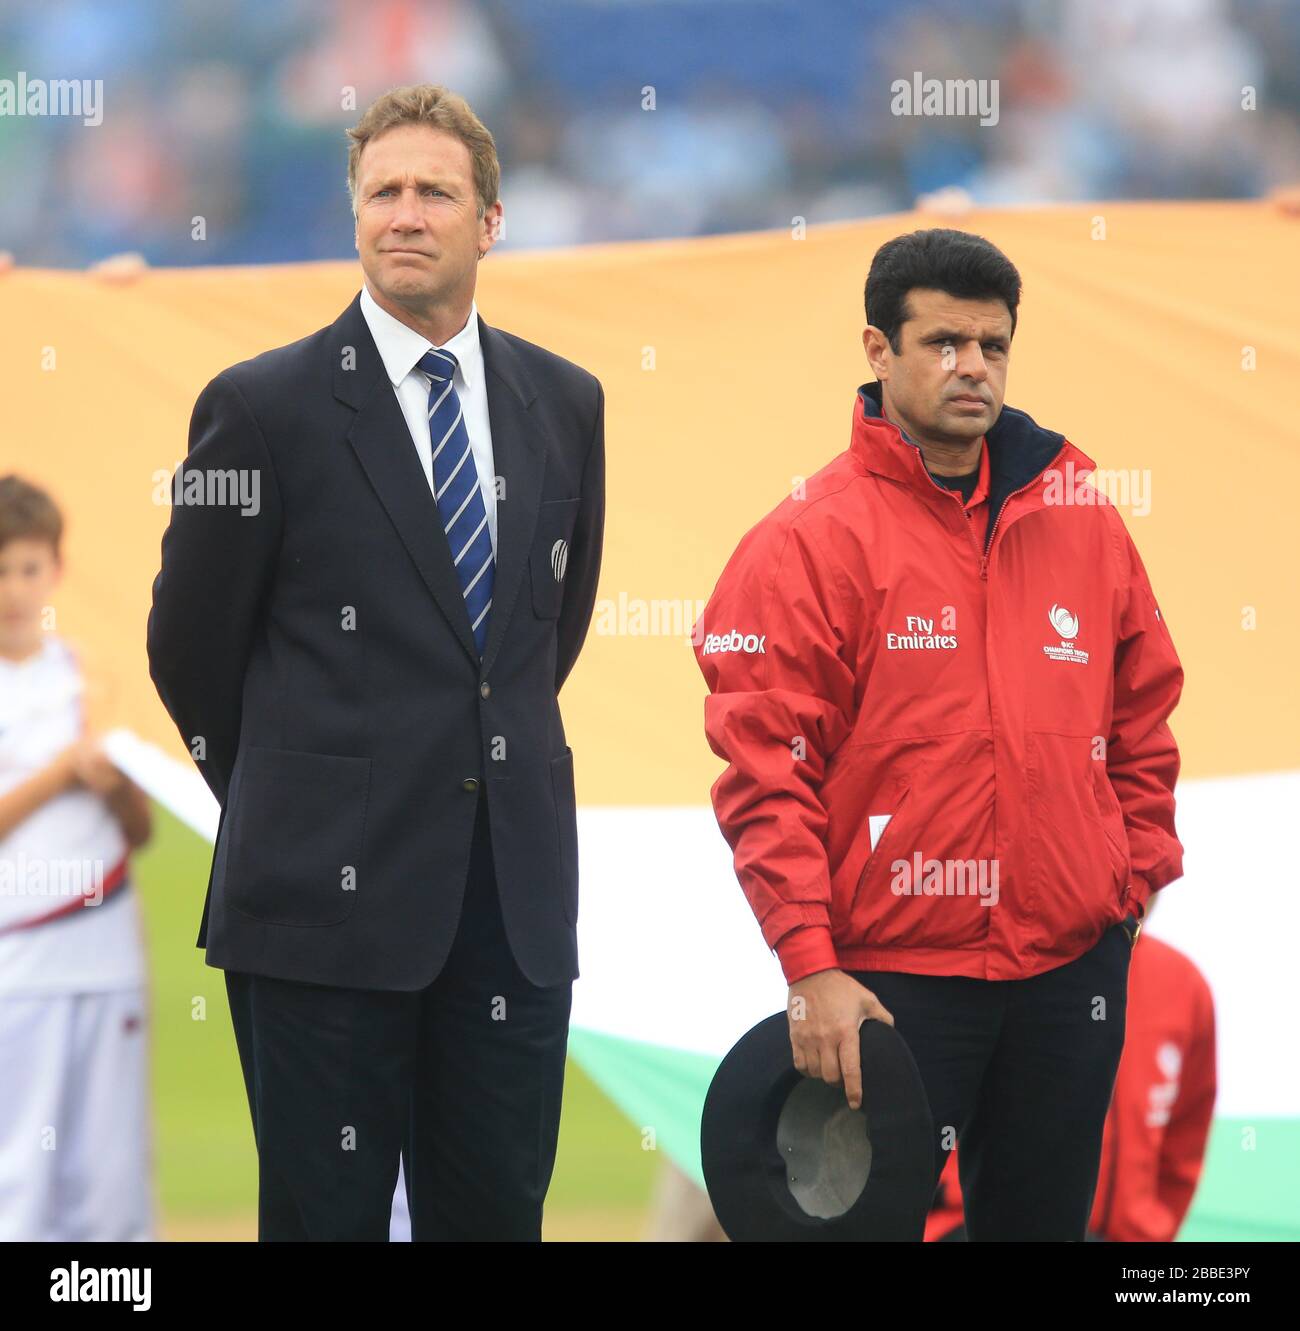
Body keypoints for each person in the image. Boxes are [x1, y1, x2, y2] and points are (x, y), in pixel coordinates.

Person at [147, 83, 605, 1241]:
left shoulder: (567, 402)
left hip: (511, 904)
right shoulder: (255, 407)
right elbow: (187, 649)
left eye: (434, 192)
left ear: (490, 220)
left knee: (497, 1213)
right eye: (382, 192)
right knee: (324, 1219)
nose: (405, 214)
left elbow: (536, 643)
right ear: (353, 214)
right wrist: (310, 799)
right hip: (319, 909)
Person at [692, 228, 1184, 1241]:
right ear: (878, 350)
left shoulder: (1083, 513)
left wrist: (1123, 890)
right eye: (943, 342)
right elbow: (763, 774)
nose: (972, 366)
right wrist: (811, 966)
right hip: (886, 982)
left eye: (992, 345)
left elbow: (1143, 715)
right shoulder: (806, 538)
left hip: (1065, 975)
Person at [0, 475, 155, 1240]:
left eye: (29, 568)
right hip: (17, 964)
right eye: (0, 570)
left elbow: (141, 827)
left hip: (103, 956)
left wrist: (112, 784)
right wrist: (60, 774)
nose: (15, 589)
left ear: (55, 570)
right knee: (19, 1172)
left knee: (110, 1176)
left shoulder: (90, 677)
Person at [926, 895, 1217, 1242]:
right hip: (972, 1227)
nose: (1135, 875)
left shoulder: (1183, 984)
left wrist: (1151, 1228)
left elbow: (1186, 1137)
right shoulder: (996, 958)